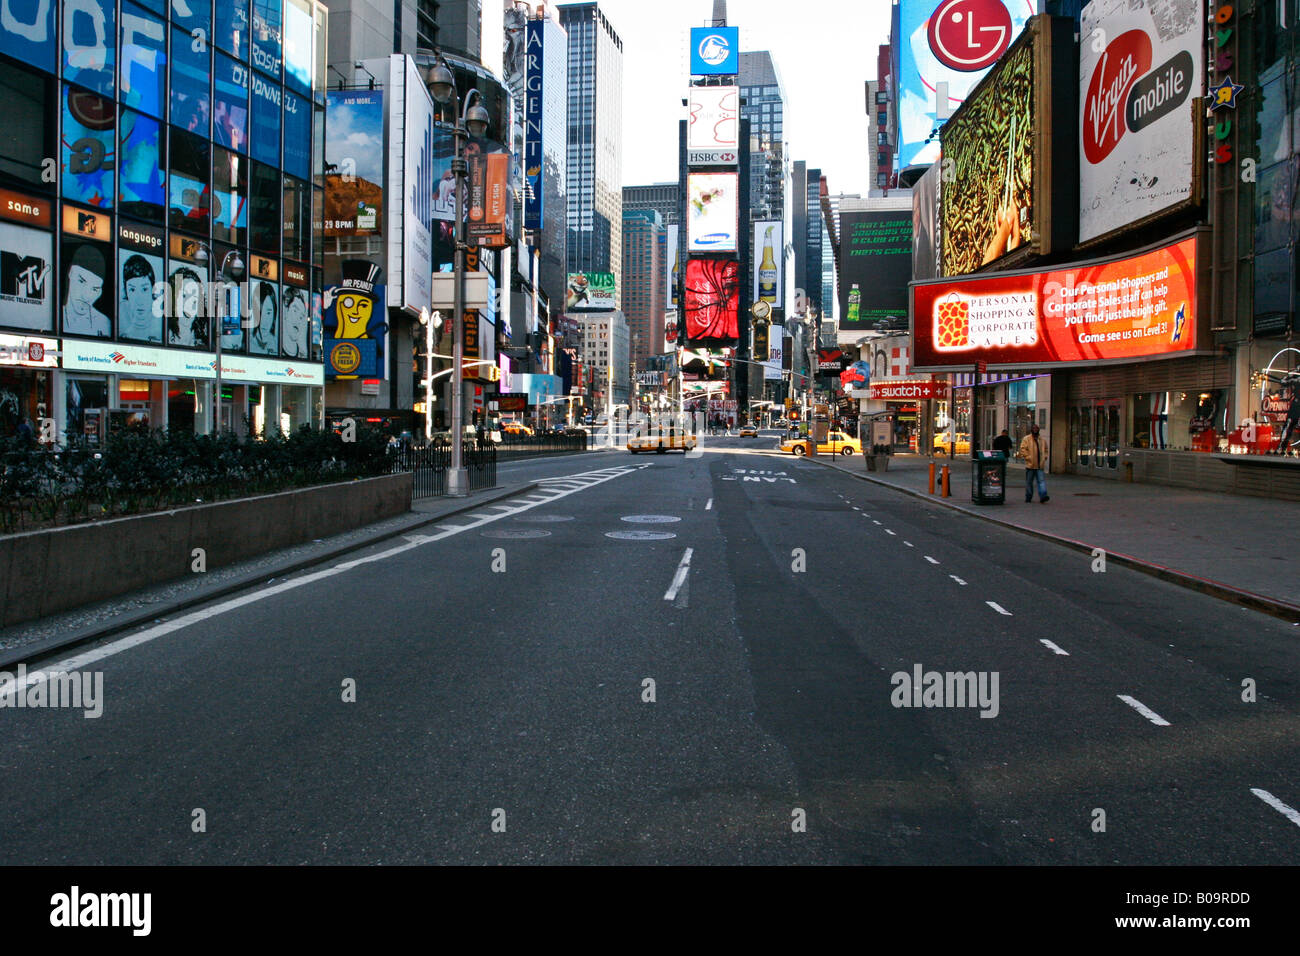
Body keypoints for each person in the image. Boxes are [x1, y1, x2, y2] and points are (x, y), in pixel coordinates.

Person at [1018, 423, 1049, 503]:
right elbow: (1023, 449)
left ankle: (1043, 496)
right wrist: (1028, 457)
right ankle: (1028, 496)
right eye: (1034, 428)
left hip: (1039, 465)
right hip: (1030, 465)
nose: (1035, 430)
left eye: (1037, 428)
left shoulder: (1042, 440)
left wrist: (1045, 457)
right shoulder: (1027, 439)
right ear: (1031, 430)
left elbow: (1045, 449)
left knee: (1041, 481)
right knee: (1029, 482)